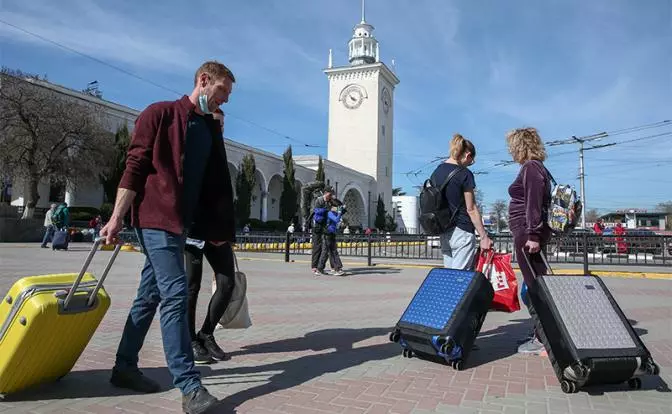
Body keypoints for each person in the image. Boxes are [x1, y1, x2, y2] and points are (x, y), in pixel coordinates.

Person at [99, 60, 236, 414]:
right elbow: (135, 167)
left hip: (182, 225)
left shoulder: (209, 130)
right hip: (153, 218)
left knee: (150, 296)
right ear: (204, 81)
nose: (225, 101)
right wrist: (115, 218)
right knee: (176, 292)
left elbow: (214, 185)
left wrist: (217, 229)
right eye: (223, 92)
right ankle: (190, 387)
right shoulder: (159, 115)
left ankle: (124, 367)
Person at [183, 107, 236, 365]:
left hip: (218, 232)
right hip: (195, 231)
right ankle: (189, 340)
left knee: (228, 283)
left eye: (222, 126)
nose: (220, 130)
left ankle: (206, 334)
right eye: (216, 125)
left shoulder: (219, 152)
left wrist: (224, 230)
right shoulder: (195, 148)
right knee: (191, 286)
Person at [505, 127, 552, 356]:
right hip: (526, 232)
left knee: (536, 288)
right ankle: (540, 333)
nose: (510, 151)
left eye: (511, 146)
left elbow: (533, 203)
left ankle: (545, 339)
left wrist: (532, 235)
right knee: (536, 285)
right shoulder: (536, 167)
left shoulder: (530, 168)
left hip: (527, 234)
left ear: (520, 146)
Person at [429, 134, 492, 270]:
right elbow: (471, 209)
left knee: (449, 276)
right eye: (471, 161)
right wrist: (483, 236)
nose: (470, 164)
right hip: (462, 230)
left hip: (444, 230)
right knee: (460, 280)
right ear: (467, 155)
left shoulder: (436, 172)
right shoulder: (464, 174)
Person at [317, 199, 346, 276]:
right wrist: (339, 213)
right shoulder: (329, 213)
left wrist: (341, 210)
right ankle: (335, 268)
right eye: (337, 207)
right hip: (327, 234)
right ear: (333, 207)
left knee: (331, 252)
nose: (338, 208)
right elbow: (336, 220)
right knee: (328, 252)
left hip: (331, 234)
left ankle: (325, 268)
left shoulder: (333, 213)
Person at [310, 186, 334, 275]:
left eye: (332, 194)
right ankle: (314, 266)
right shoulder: (319, 200)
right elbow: (316, 211)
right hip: (317, 226)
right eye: (330, 194)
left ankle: (321, 267)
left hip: (325, 226)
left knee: (325, 247)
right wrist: (326, 210)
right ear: (325, 192)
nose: (331, 196)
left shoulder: (329, 201)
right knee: (317, 246)